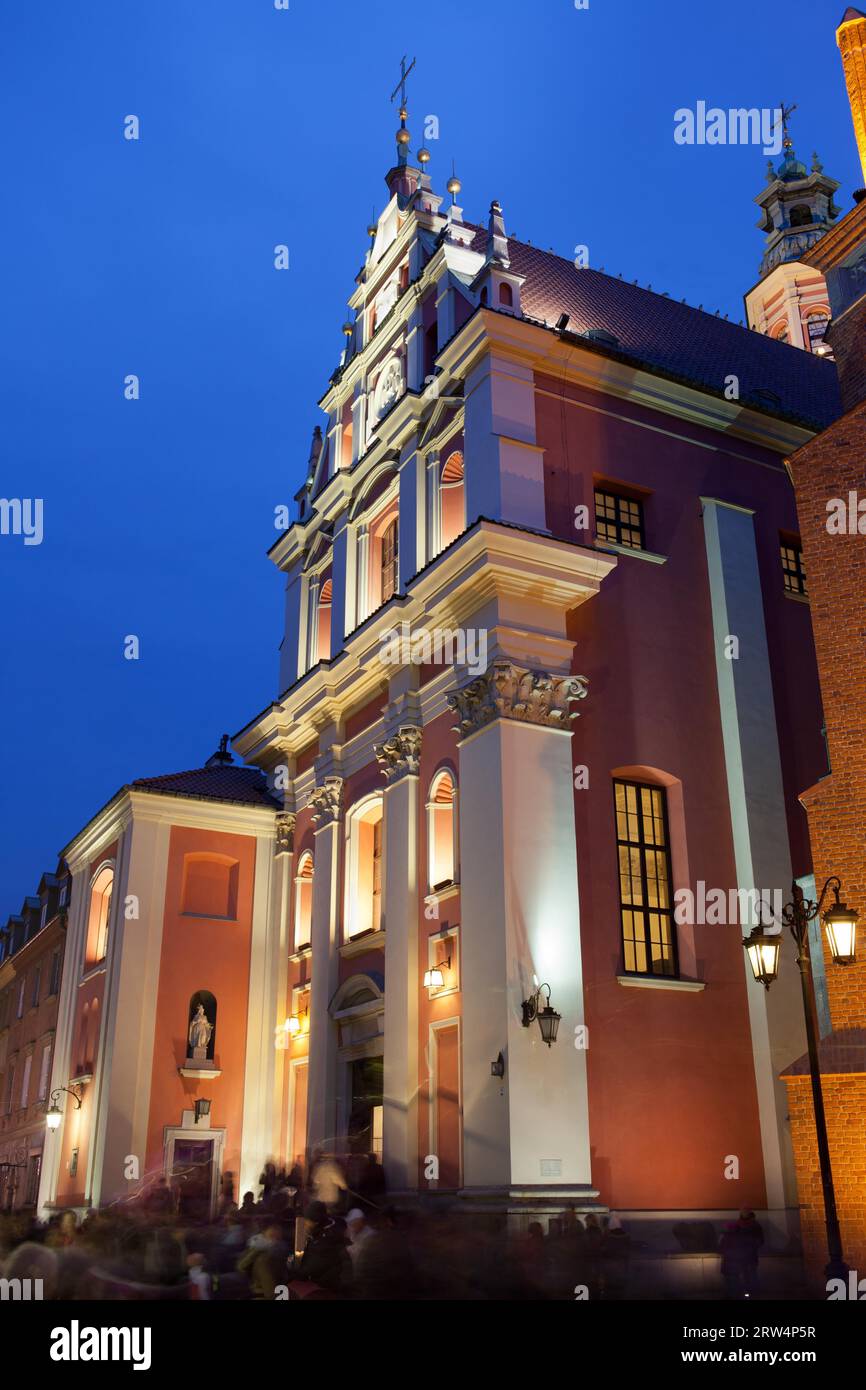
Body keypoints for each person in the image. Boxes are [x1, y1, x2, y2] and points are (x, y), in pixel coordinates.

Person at [295, 1201, 351, 1295]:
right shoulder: (324, 1229)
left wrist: (293, 1269)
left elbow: (313, 1267)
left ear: (316, 1222)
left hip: (328, 1285)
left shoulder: (328, 1239)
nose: (305, 1223)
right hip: (325, 1278)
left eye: (307, 1220)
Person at [719, 1209, 764, 1299]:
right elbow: (758, 1242)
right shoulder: (752, 1229)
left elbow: (722, 1248)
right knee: (746, 1281)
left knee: (736, 1283)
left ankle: (742, 1294)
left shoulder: (732, 1234)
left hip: (737, 1263)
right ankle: (749, 1294)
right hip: (744, 1262)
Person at [237, 1222, 289, 1299]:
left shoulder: (254, 1245)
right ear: (264, 1235)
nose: (274, 1241)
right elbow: (272, 1293)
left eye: (277, 1238)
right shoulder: (265, 1259)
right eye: (272, 1236)